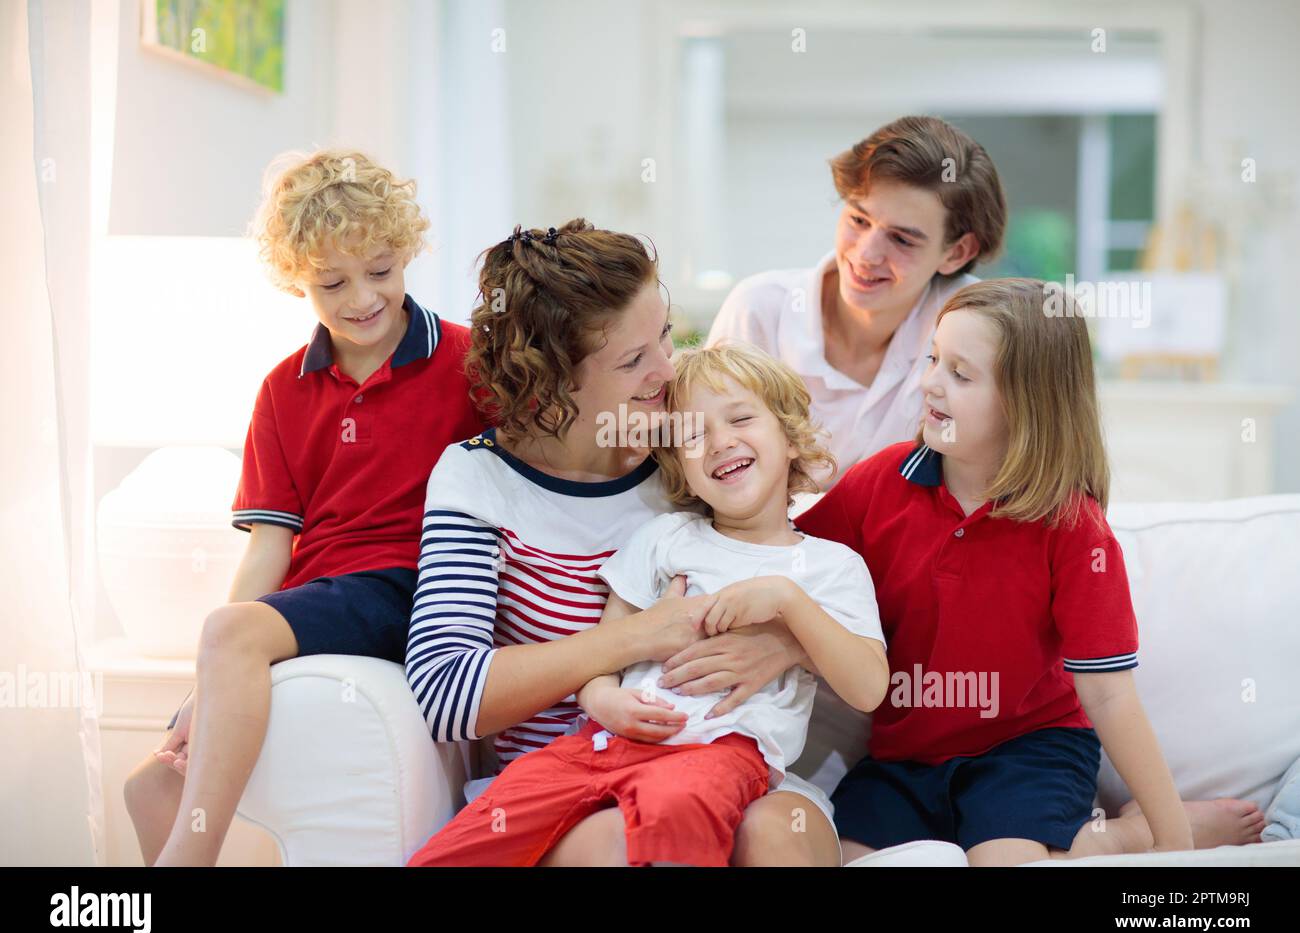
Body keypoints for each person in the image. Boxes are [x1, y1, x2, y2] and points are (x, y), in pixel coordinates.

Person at [404, 220, 845, 866]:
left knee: (778, 833)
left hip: (730, 757)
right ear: (550, 385)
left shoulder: (692, 455)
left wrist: (784, 642)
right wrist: (635, 638)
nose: (668, 371)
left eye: (665, 336)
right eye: (633, 361)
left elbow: (808, 562)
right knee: (625, 842)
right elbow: (448, 693)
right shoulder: (480, 480)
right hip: (567, 781)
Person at [794, 277, 1267, 864]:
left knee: (1007, 862)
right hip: (903, 757)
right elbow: (792, 560)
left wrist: (1170, 845)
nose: (930, 383)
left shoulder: (1074, 529)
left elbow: (1110, 693)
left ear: (1027, 402)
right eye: (933, 359)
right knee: (848, 857)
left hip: (1029, 750)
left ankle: (1127, 832)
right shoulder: (880, 482)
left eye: (961, 375)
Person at [122, 149, 486, 866]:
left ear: (406, 253)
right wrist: (211, 680)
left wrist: (230, 642)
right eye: (332, 282)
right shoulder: (282, 389)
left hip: (410, 586)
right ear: (298, 282)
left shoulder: (469, 363)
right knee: (146, 790)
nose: (361, 299)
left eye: (379, 271)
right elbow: (268, 547)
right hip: (312, 601)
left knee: (230, 633)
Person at [708, 115, 1007, 488]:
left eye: (902, 240)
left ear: (957, 252)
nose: (866, 255)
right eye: (859, 220)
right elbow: (705, 462)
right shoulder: (759, 311)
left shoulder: (974, 327)